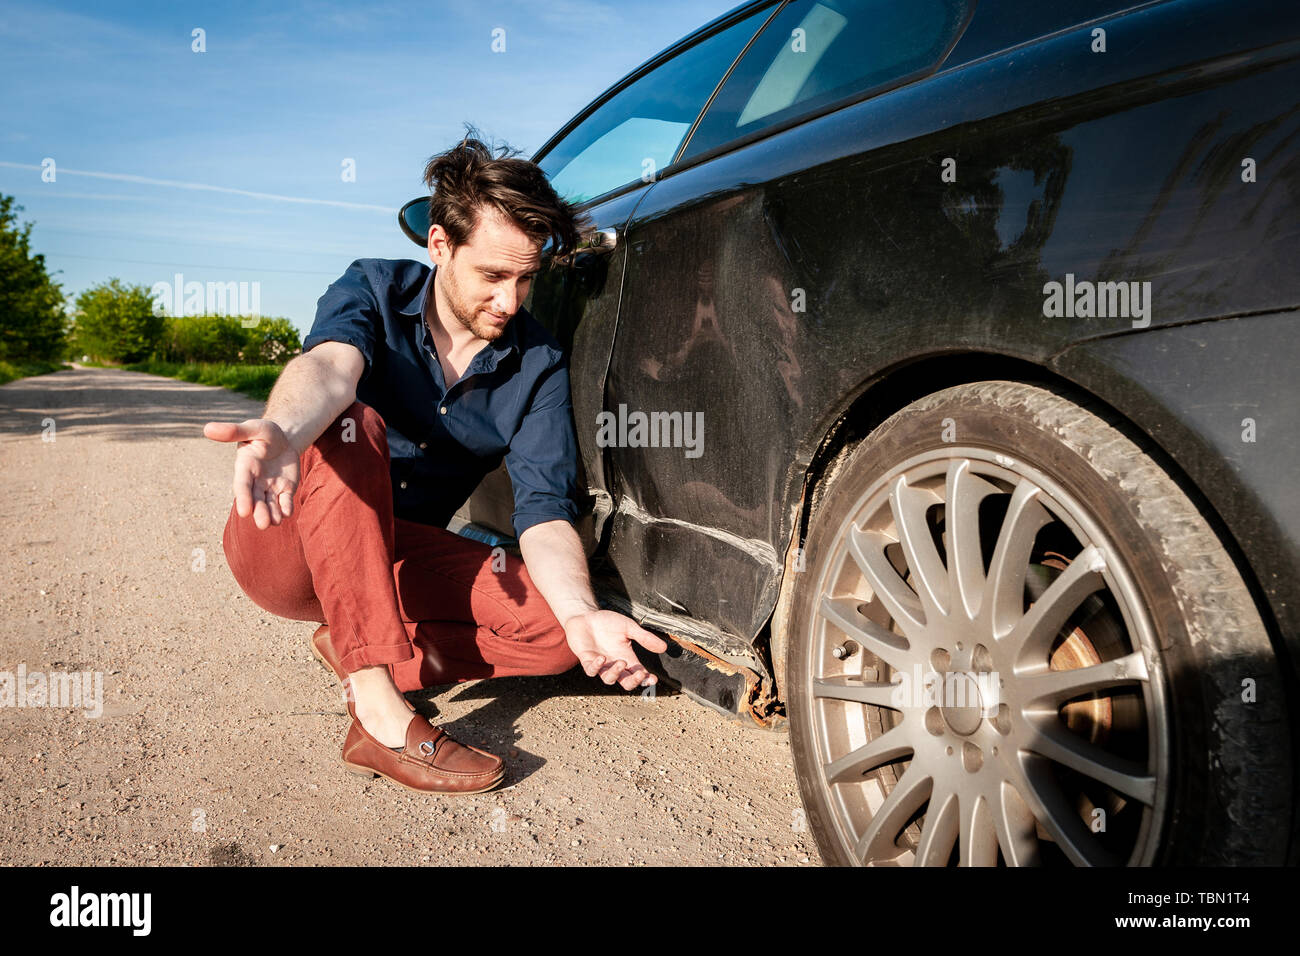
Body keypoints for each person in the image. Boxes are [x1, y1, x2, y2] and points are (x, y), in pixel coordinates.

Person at [204, 132, 667, 795]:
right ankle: (379, 715)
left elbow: (542, 509)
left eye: (525, 278)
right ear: (440, 246)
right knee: (350, 422)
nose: (510, 301)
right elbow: (331, 370)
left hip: (392, 558)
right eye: (493, 276)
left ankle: (357, 643)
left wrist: (581, 613)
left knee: (558, 636)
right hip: (289, 546)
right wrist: (283, 428)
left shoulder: (536, 364)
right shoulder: (372, 287)